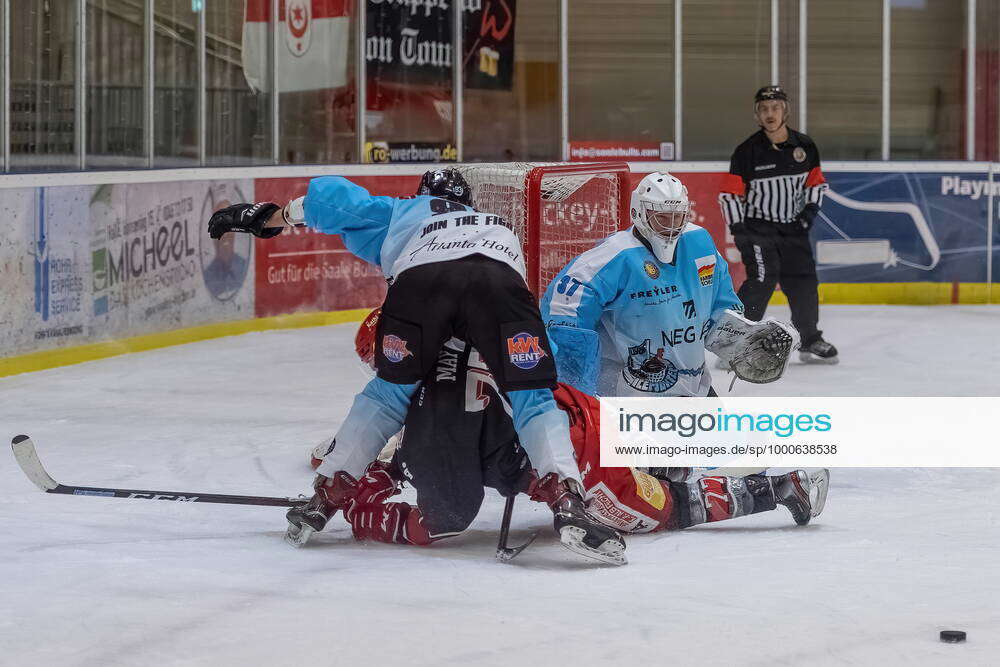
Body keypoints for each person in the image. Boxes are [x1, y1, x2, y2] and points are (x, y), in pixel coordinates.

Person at [207, 168, 625, 564]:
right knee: (532, 397)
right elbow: (533, 367)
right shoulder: (497, 224)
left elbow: (333, 199)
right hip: (499, 286)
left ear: (425, 197)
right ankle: (567, 500)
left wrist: (272, 216)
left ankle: (326, 497)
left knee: (387, 394)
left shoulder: (405, 211)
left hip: (422, 287)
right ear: (469, 203)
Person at [315, 314, 828, 551]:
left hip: (582, 462)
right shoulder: (466, 333)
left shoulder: (423, 403)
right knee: (664, 457)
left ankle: (784, 486)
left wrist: (365, 502)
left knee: (667, 510)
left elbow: (445, 515)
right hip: (582, 409)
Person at [539, 171, 797, 400]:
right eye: (662, 218)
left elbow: (719, 308)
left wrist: (748, 340)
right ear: (639, 213)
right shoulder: (614, 256)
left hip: (695, 386)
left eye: (678, 217)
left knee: (724, 452)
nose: (672, 227)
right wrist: (574, 382)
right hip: (633, 394)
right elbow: (563, 308)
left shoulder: (699, 244)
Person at [718, 85, 838, 364]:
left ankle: (810, 340)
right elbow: (729, 195)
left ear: (785, 110)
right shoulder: (746, 151)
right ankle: (734, 343)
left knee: (804, 283)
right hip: (759, 228)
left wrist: (808, 213)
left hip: (794, 228)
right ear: (757, 115)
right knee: (761, 279)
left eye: (775, 108)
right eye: (763, 109)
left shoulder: (805, 146)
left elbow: (816, 184)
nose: (769, 113)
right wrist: (739, 230)